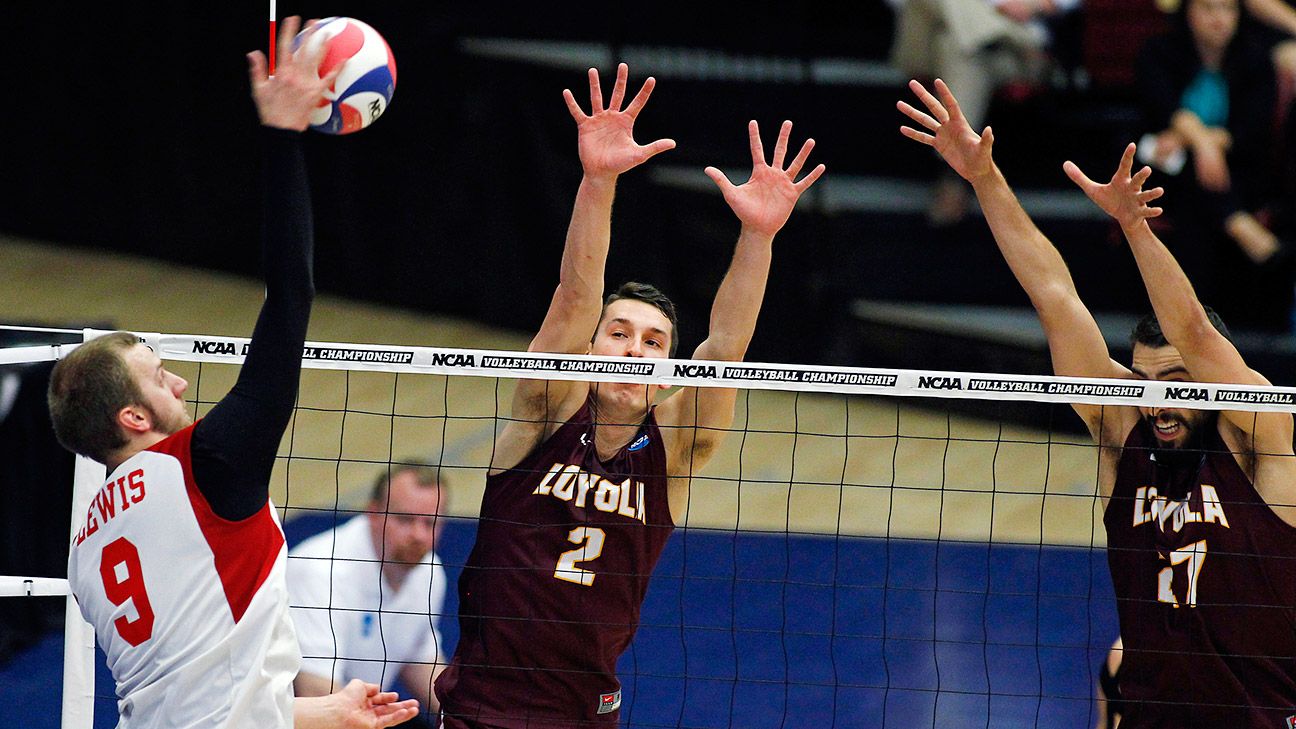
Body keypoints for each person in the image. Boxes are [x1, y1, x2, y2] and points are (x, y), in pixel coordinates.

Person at [50, 17, 417, 729]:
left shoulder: (86, 551)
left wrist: (326, 710)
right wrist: (282, 135)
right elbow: (291, 294)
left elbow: (201, 691)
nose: (182, 384)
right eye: (159, 378)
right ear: (132, 417)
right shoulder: (206, 465)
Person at [433, 63, 825, 728]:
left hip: (582, 716)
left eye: (652, 342)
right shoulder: (541, 414)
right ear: (590, 351)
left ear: (670, 374)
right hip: (480, 710)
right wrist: (598, 181)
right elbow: (575, 294)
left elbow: (724, 348)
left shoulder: (672, 454)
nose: (633, 348)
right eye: (618, 333)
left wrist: (757, 236)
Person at [899, 77, 1296, 725]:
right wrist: (985, 178)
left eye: (1175, 380)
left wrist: (1135, 228)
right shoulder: (1125, 432)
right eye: (1141, 379)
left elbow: (1194, 330)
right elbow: (1057, 300)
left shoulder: (1262, 438)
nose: (1153, 397)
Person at [1136, 0, 1293, 329]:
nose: (1218, 19)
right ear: (1189, 12)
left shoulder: (1254, 58)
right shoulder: (1158, 51)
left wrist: (1203, 142)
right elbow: (1159, 107)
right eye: (1208, 8)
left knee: (1201, 186)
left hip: (1236, 171)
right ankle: (1236, 222)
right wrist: (1201, 141)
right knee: (1189, 169)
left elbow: (1253, 128)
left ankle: (1189, 323)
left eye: (1227, 9)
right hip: (1170, 170)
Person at [888, 0, 1081, 224]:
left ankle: (953, 176)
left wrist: (1041, 4)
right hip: (934, 40)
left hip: (1008, 57)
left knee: (958, 48)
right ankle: (1002, 35)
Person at [289, 463, 450, 725]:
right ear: (373, 513)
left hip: (363, 714)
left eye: (430, 523)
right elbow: (317, 692)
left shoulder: (429, 572)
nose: (419, 535)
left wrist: (470, 718)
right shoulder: (321, 571)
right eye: (405, 520)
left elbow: (421, 662)